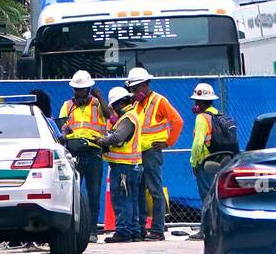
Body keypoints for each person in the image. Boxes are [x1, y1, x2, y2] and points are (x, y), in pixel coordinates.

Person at [128, 67, 183, 242]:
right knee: (140, 191)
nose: (135, 92)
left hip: (151, 152)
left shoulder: (159, 101)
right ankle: (142, 229)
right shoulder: (136, 104)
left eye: (136, 89)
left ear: (145, 85)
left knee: (155, 191)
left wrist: (168, 142)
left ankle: (158, 230)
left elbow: (177, 121)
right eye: (133, 89)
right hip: (138, 152)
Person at [57, 71, 110, 243]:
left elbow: (109, 115)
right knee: (73, 193)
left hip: (94, 153)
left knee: (94, 193)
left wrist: (100, 97)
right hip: (74, 154)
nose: (78, 94)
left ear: (89, 89)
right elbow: (62, 126)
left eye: (82, 90)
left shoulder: (97, 104)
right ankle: (75, 230)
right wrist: (64, 133)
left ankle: (92, 231)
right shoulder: (67, 105)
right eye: (76, 90)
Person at [98, 86, 143, 243]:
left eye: (115, 106)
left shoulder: (128, 118)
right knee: (131, 199)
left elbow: (118, 138)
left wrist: (101, 141)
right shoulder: (130, 116)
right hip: (131, 166)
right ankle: (135, 231)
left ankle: (123, 231)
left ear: (119, 103)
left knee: (122, 199)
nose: (114, 110)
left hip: (124, 166)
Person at [187, 83, 229, 242]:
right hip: (221, 162)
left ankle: (206, 230)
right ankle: (218, 228)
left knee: (206, 198)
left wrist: (194, 163)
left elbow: (198, 144)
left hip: (205, 163)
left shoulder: (201, 118)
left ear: (202, 103)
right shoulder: (219, 115)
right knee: (217, 197)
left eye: (197, 101)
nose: (195, 105)